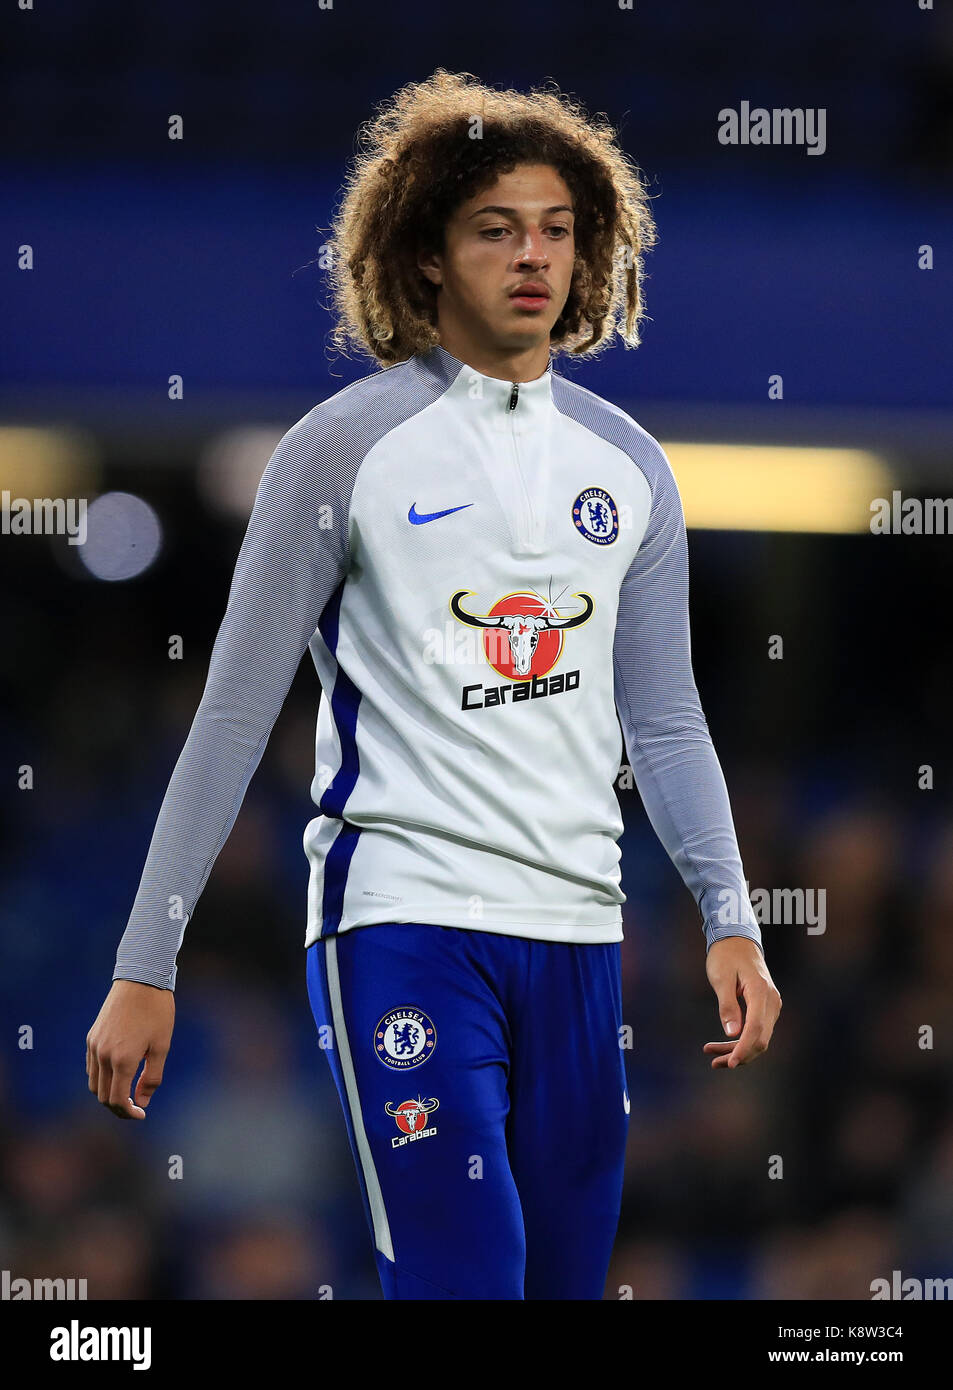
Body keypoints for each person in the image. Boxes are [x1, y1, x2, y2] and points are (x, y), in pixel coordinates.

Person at [87, 69, 781, 1300]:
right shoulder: (342, 447)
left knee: (559, 1285)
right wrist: (149, 959)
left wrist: (729, 914)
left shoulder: (628, 470)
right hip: (402, 923)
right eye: (494, 229)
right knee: (468, 1271)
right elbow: (235, 716)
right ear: (422, 257)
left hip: (577, 935)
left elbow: (664, 722)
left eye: (557, 230)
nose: (533, 258)